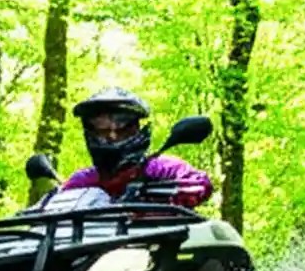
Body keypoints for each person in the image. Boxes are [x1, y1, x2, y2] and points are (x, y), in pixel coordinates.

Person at [59, 88, 212, 208]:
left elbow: (200, 183)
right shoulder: (84, 180)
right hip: (94, 245)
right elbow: (55, 206)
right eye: (103, 130)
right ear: (90, 131)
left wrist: (157, 194)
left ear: (136, 129)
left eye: (122, 129)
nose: (112, 136)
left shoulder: (163, 169)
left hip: (159, 243)